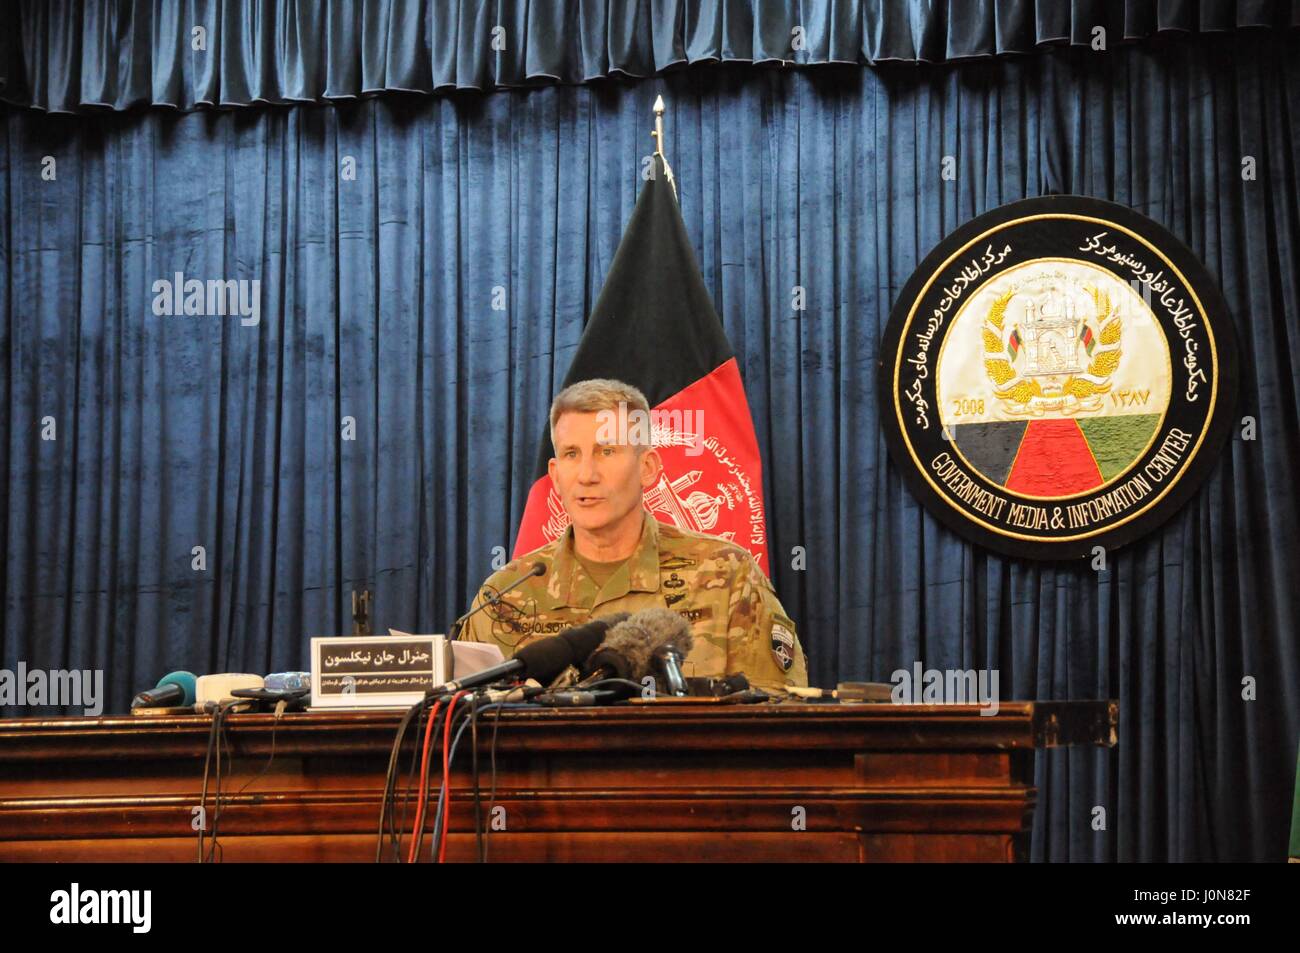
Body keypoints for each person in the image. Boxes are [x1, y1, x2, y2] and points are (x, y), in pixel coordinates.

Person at [459, 378, 808, 692]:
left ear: (647, 468)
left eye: (607, 451)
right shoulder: (505, 596)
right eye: (571, 454)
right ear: (554, 474)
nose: (587, 475)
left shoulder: (726, 575)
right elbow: (464, 724)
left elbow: (778, 708)